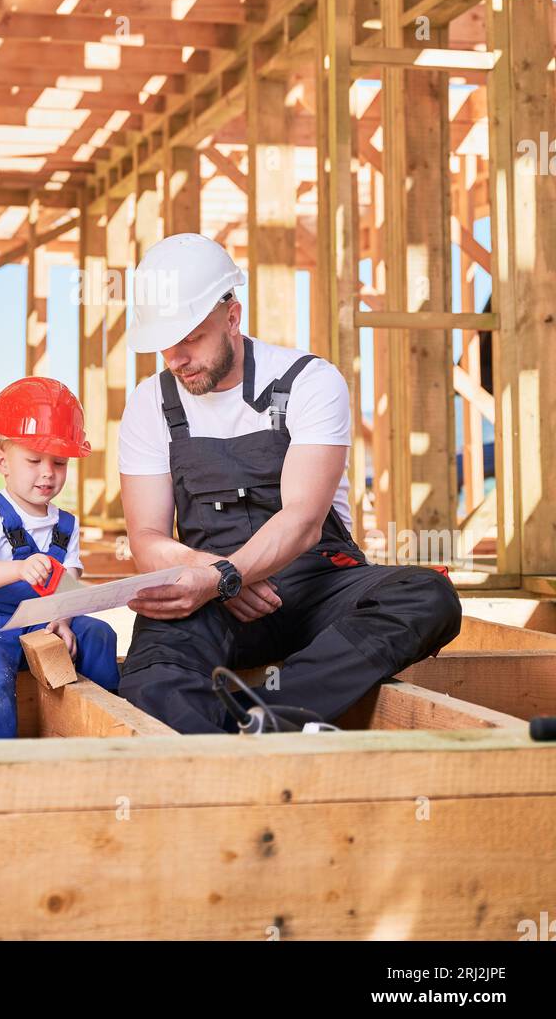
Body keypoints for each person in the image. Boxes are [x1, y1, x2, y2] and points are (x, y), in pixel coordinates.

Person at [116, 232, 462, 734]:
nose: (176, 357)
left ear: (232, 317)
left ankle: (266, 719)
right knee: (151, 677)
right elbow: (145, 537)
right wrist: (215, 576)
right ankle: (231, 761)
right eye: (165, 343)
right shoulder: (149, 404)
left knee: (428, 596)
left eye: (190, 338)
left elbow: (302, 520)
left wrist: (227, 574)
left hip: (315, 590)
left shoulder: (308, 382)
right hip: (212, 597)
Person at [0, 377, 119, 739]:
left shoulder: (66, 525)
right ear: (2, 461)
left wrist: (63, 620)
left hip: (40, 619)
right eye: (34, 459)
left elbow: (67, 587)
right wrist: (20, 569)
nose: (47, 473)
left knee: (99, 634)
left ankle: (108, 732)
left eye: (59, 462)